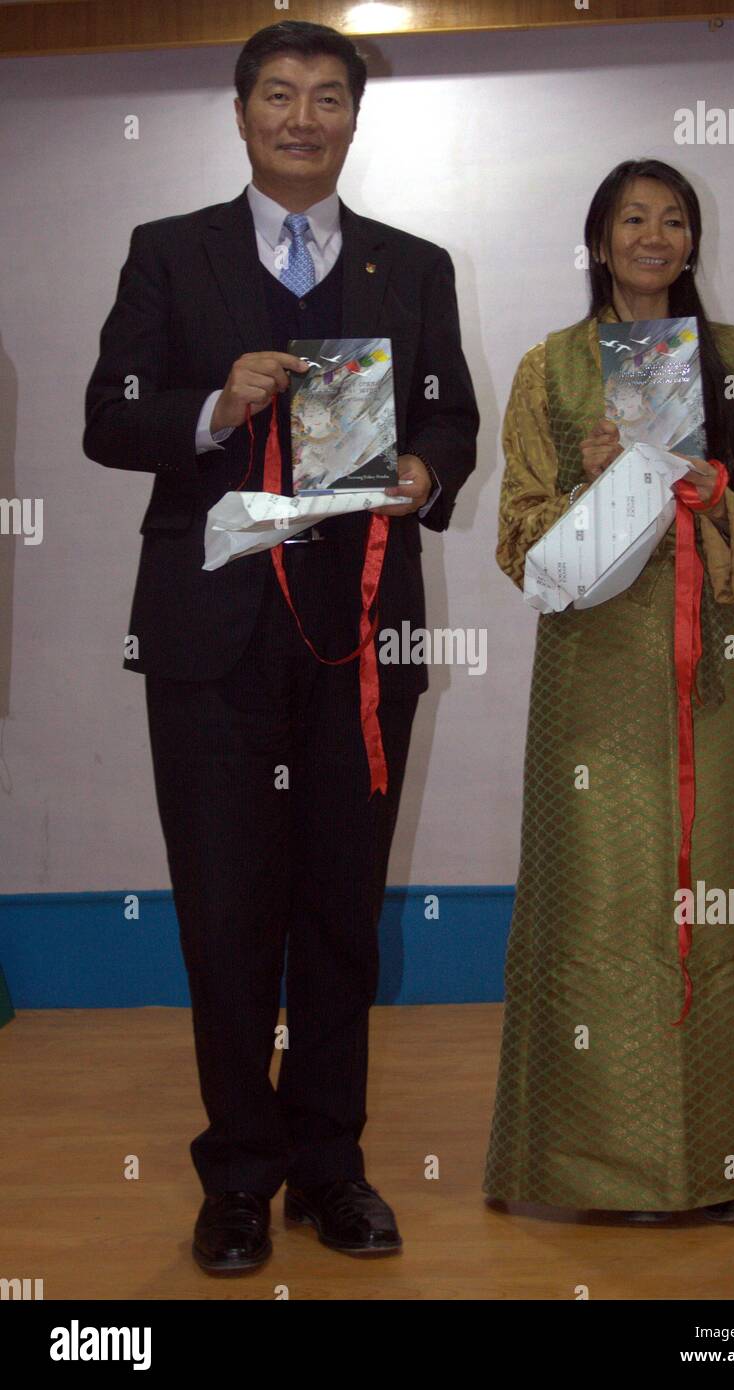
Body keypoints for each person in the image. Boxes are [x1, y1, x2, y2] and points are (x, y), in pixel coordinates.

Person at [83, 19, 478, 1272]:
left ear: (354, 118)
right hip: (212, 638)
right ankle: (238, 1177)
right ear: (241, 112)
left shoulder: (412, 267)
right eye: (278, 96)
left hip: (360, 635)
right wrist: (213, 404)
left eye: (325, 97)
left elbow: (449, 416)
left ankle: (332, 1167)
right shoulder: (169, 254)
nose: (302, 117)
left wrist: (424, 467)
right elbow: (111, 415)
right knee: (226, 911)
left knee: (341, 913)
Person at [483, 159, 734, 1224]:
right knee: (595, 901)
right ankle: (585, 1166)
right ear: (597, 241)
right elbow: (517, 535)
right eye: (632, 219)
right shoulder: (550, 368)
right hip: (594, 672)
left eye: (672, 220)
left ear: (690, 243)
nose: (653, 236)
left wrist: (710, 488)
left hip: (714, 664)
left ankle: (726, 1161)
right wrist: (598, 485)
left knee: (719, 894)